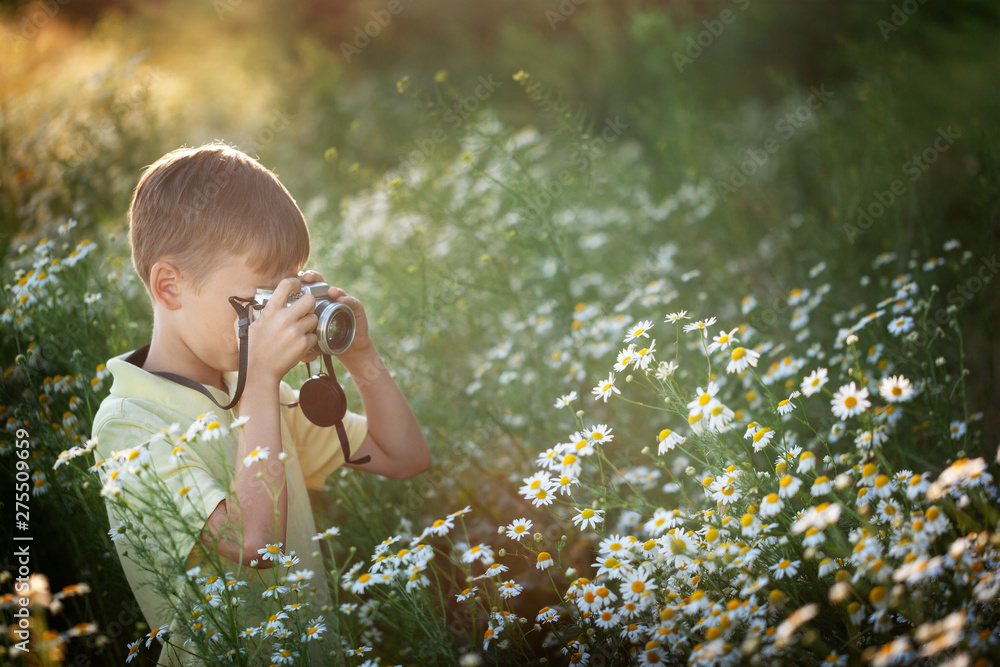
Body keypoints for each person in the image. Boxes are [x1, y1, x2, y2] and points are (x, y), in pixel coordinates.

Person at [91, 144, 430, 665]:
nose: (277, 319)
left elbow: (405, 457)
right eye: (256, 303)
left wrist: (361, 355)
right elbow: (257, 546)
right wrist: (263, 379)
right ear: (170, 286)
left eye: (284, 299)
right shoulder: (130, 425)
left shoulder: (258, 392)